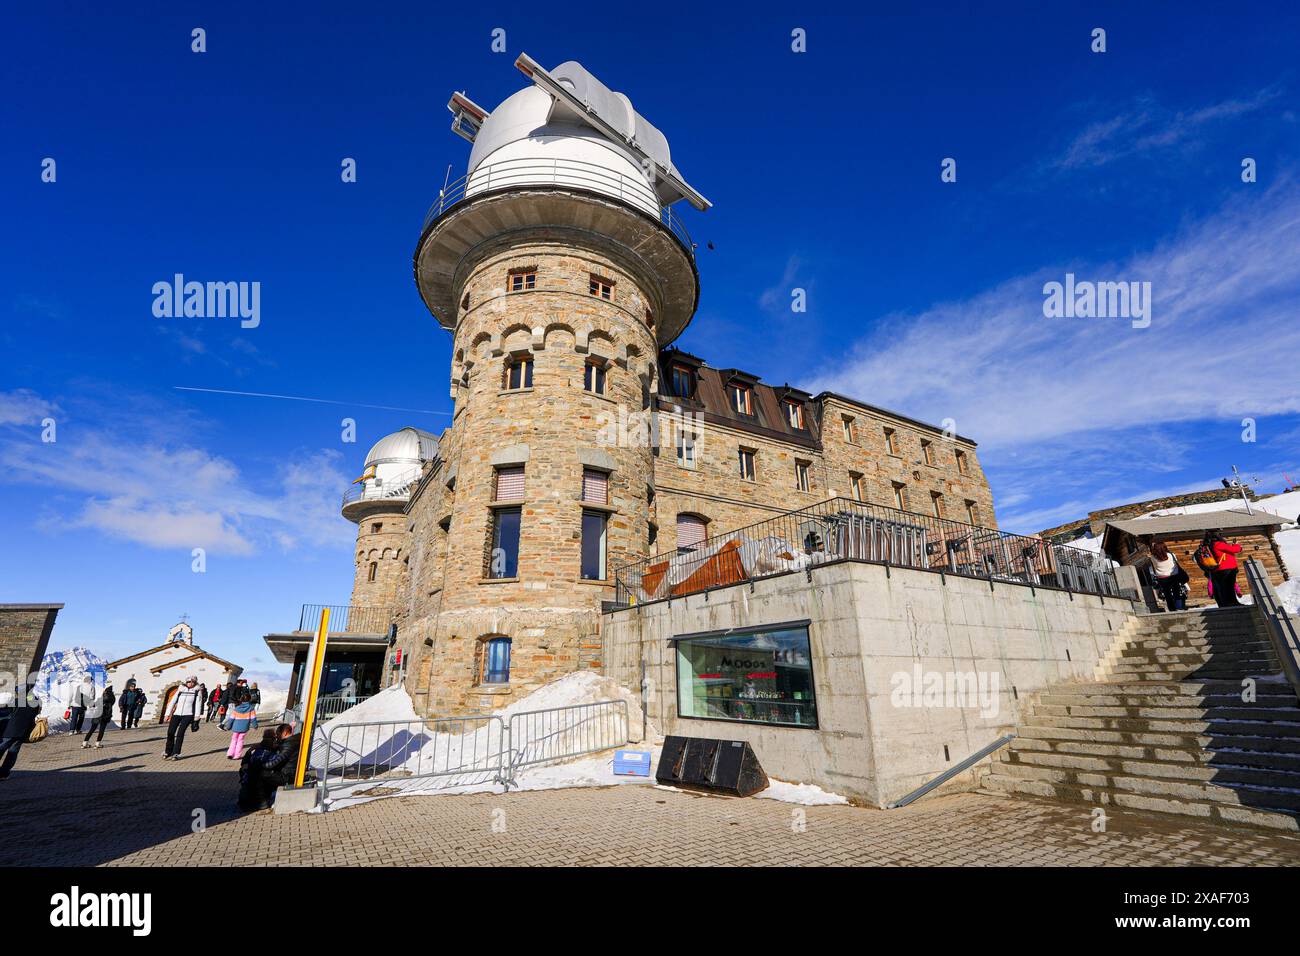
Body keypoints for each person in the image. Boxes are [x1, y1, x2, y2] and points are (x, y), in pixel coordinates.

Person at [237, 729, 282, 811]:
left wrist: (249, 751)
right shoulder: (271, 750)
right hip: (261, 801)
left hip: (244, 801)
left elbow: (244, 764)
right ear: (274, 738)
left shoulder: (256, 749)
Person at [163, 675, 204, 760]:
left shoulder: (197, 691)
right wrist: (167, 714)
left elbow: (198, 705)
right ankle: (168, 751)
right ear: (186, 682)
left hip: (188, 715)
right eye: (189, 682)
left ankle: (176, 753)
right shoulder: (180, 690)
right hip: (177, 714)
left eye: (192, 682)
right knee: (170, 732)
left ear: (195, 682)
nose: (190, 683)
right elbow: (172, 702)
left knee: (180, 734)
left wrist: (196, 718)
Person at [0, 698, 41, 780]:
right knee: (12, 752)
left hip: (11, 728)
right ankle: (4, 773)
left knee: (3, 747)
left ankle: (4, 773)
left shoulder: (16, 700)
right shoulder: (36, 703)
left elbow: (10, 712)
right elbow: (36, 716)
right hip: (23, 730)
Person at [259, 723, 302, 792]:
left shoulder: (289, 745)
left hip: (288, 775)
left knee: (262, 773)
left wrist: (260, 765)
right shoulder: (292, 741)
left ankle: (263, 799)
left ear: (284, 733)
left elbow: (275, 762)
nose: (277, 737)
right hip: (288, 771)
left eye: (278, 734)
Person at [1148, 540, 1187, 612]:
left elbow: (1153, 566)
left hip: (1162, 578)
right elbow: (1176, 564)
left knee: (1167, 594)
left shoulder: (1153, 558)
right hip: (1174, 576)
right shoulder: (1171, 555)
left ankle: (1171, 609)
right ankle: (1179, 607)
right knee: (1177, 591)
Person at [1207, 531, 1244, 608]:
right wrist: (1237, 545)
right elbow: (1234, 550)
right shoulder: (1218, 544)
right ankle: (1232, 603)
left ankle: (1227, 603)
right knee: (1229, 586)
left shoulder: (1212, 545)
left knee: (1225, 587)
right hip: (1227, 568)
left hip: (1221, 569)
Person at [221, 689, 258, 760]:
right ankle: (237, 755)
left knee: (234, 740)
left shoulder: (237, 708)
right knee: (240, 740)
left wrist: (228, 727)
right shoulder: (251, 708)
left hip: (235, 727)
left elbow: (231, 718)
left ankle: (230, 753)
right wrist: (255, 726)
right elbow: (253, 719)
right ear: (249, 699)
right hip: (244, 728)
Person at [82, 684, 115, 749]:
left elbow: (93, 705)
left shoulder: (101, 698)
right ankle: (97, 744)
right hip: (105, 716)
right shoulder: (112, 699)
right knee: (101, 730)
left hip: (97, 715)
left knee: (92, 729)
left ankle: (84, 743)